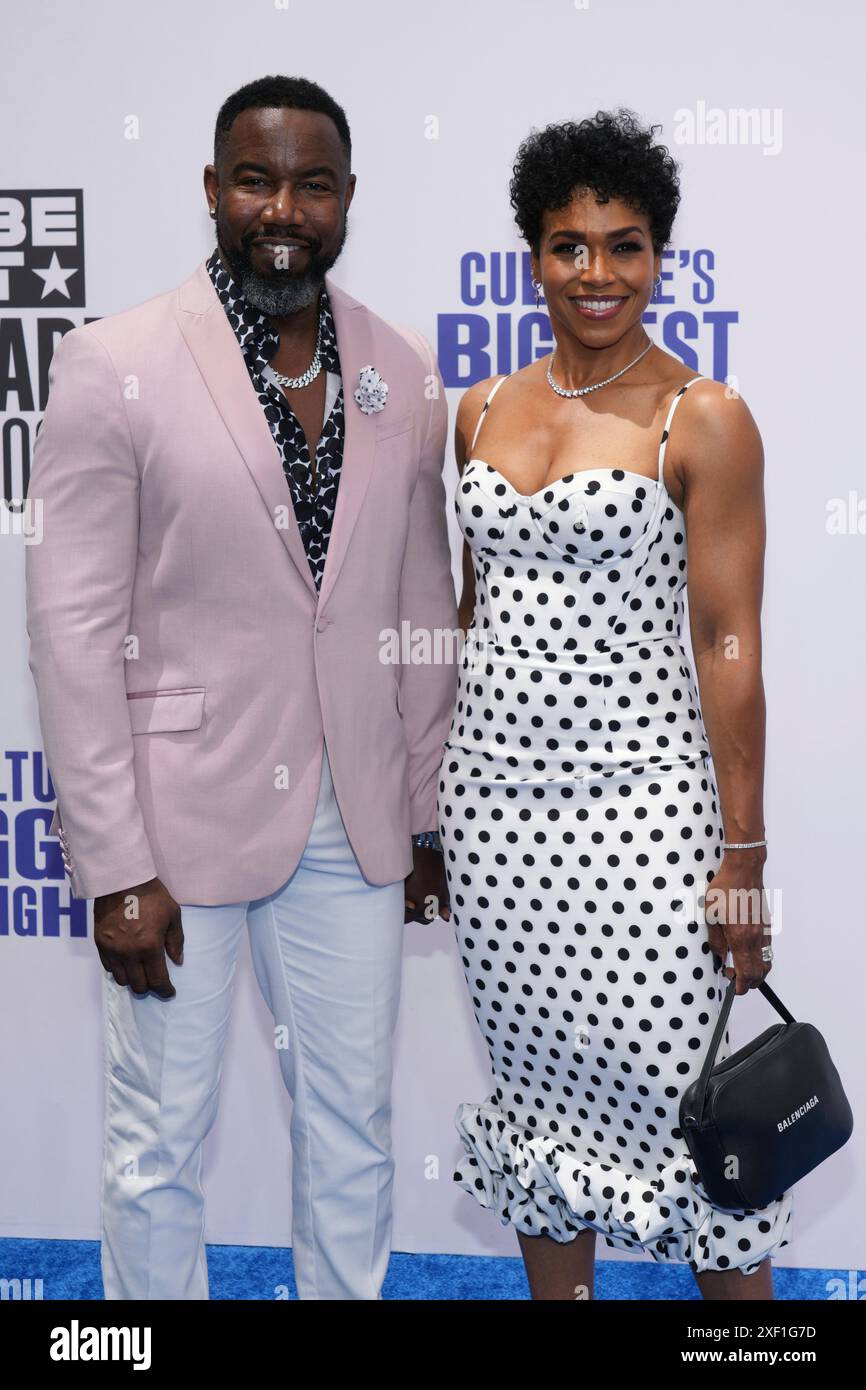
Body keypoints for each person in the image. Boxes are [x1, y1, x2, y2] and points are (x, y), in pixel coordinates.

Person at [25, 74, 457, 1301]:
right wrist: (113, 864)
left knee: (352, 1135)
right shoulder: (114, 363)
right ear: (213, 192)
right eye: (257, 179)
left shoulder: (401, 372)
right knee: (159, 1147)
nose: (284, 207)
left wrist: (419, 812)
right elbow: (69, 629)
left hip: (354, 823)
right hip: (175, 826)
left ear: (347, 202)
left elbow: (421, 608)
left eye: (311, 184)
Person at [439, 109, 793, 1300]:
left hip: (642, 823)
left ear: (661, 257)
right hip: (496, 831)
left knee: (696, 1131)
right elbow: (471, 615)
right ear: (529, 255)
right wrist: (438, 814)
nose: (597, 273)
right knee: (536, 1112)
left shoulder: (702, 417)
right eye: (569, 245)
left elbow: (727, 646)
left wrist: (739, 855)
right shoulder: (475, 410)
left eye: (625, 245)